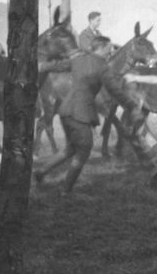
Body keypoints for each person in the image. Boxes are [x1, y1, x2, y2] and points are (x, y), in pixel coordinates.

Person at [33, 51, 141, 194]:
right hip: (80, 113)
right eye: (108, 48)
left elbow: (56, 66)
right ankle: (65, 191)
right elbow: (114, 90)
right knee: (84, 150)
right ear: (102, 48)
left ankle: (41, 171)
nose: (110, 52)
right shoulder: (102, 66)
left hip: (65, 110)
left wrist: (41, 65)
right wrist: (132, 105)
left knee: (71, 149)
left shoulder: (78, 60)